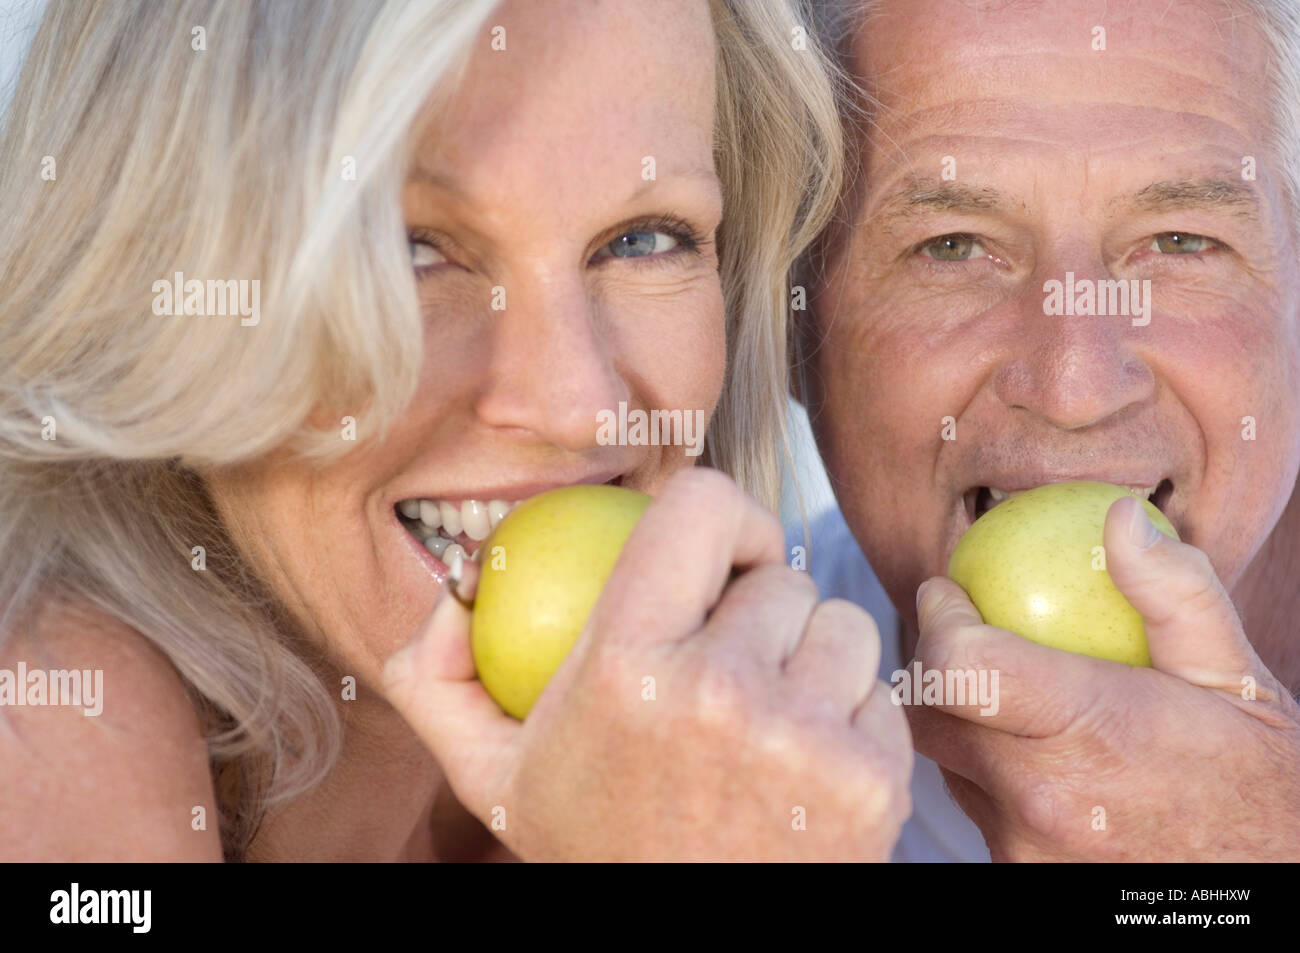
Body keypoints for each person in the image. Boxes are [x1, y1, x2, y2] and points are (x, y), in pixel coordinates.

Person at [0, 0, 911, 861]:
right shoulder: (52, 706)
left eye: (644, 239)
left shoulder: (729, 745)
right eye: (411, 249)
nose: (578, 406)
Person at [800, 0, 1300, 861]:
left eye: (1179, 240)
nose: (1076, 386)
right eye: (951, 246)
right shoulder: (698, 749)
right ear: (792, 329)